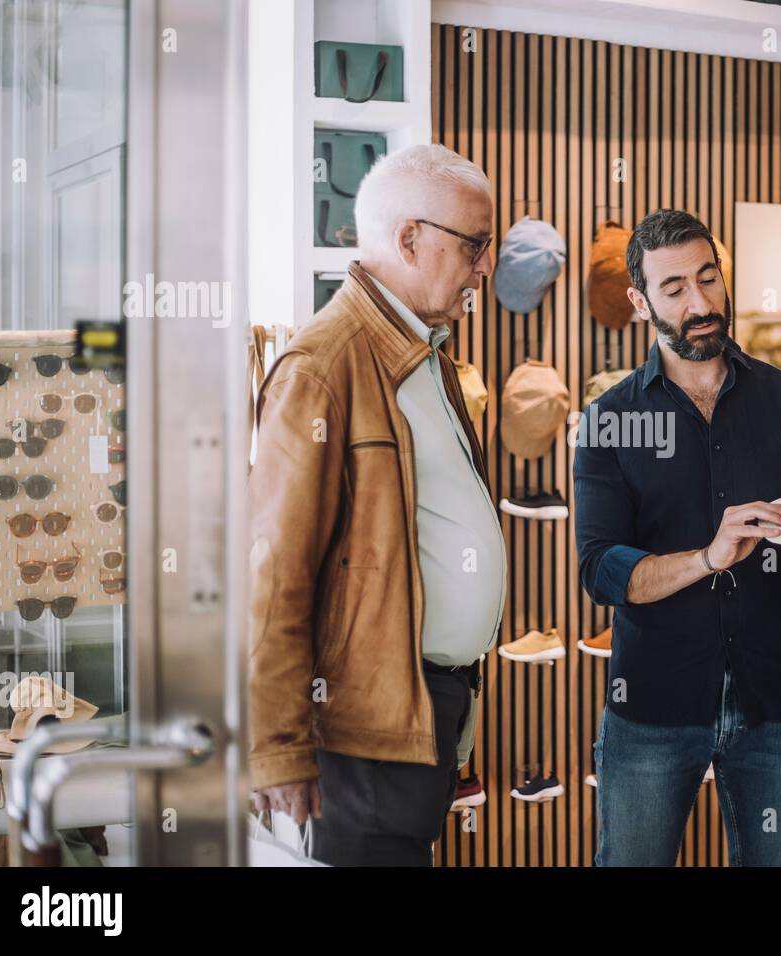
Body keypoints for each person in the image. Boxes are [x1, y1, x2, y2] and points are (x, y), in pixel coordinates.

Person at [573, 209, 781, 866]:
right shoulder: (610, 421)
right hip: (652, 709)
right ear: (639, 300)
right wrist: (708, 557)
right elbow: (600, 570)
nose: (700, 303)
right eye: (675, 288)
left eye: (709, 278)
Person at [248, 144, 506, 866]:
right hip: (359, 736)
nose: (484, 267)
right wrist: (276, 749)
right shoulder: (323, 366)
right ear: (409, 239)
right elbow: (273, 570)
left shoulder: (427, 355)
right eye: (475, 245)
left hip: (420, 709)